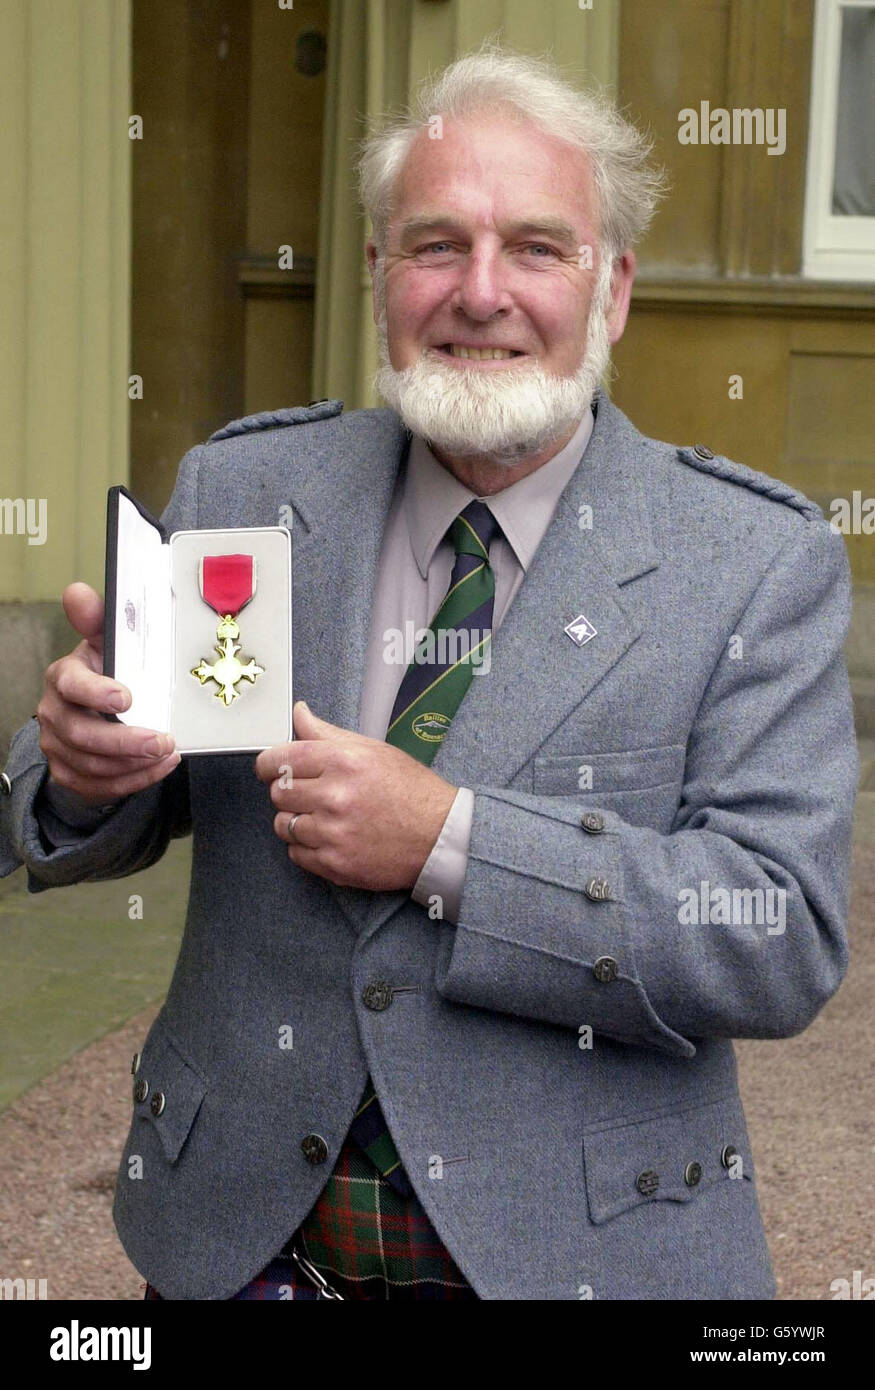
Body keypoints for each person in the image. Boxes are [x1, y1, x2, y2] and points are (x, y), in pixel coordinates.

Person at [0, 45, 858, 1300]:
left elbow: (774, 933)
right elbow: (87, 806)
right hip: (240, 1248)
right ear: (377, 273)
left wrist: (451, 841)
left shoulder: (744, 561)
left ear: (611, 290)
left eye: (537, 249)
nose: (481, 292)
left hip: (578, 1263)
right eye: (436, 244)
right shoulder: (245, 493)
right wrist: (80, 770)